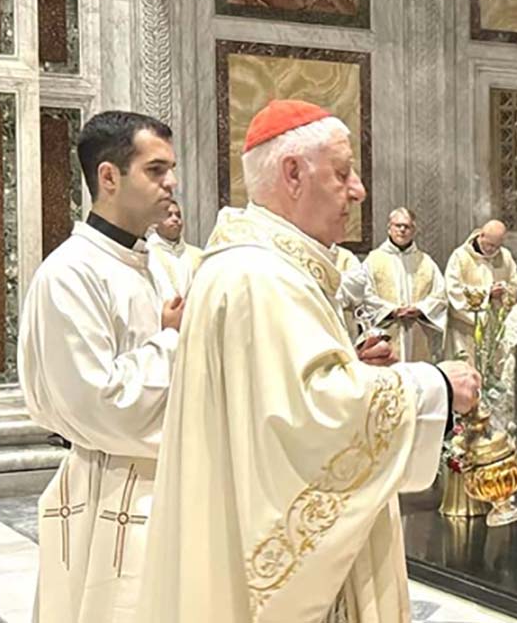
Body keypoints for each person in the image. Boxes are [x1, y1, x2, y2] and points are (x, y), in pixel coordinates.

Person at [136, 100, 481, 623]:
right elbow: (312, 419)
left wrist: (356, 367)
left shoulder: (250, 264)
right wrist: (434, 384)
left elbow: (277, 400)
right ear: (293, 173)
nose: (359, 189)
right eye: (343, 172)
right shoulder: (262, 276)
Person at [17, 110, 184, 623]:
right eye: (155, 170)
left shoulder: (160, 263)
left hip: (173, 481)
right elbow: (101, 403)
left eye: (171, 169)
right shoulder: (69, 274)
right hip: (109, 491)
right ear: (108, 177)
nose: (172, 183)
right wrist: (176, 340)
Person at [362, 208, 449, 362]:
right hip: (386, 331)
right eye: (398, 226)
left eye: (407, 227)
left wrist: (420, 309)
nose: (402, 230)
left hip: (417, 332)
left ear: (414, 230)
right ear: (389, 228)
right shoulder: (374, 259)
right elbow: (365, 294)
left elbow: (440, 295)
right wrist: (391, 311)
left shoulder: (425, 261)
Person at [444, 219, 517, 358]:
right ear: (481, 235)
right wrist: (487, 293)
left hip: (495, 328)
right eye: (490, 244)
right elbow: (453, 290)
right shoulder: (460, 256)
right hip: (465, 330)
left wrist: (504, 291)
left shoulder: (505, 256)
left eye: (497, 246)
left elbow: (516, 286)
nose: (492, 250)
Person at [146, 198, 203, 300]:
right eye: (169, 215)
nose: (175, 219)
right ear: (155, 222)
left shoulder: (197, 255)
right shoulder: (146, 254)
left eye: (178, 215)